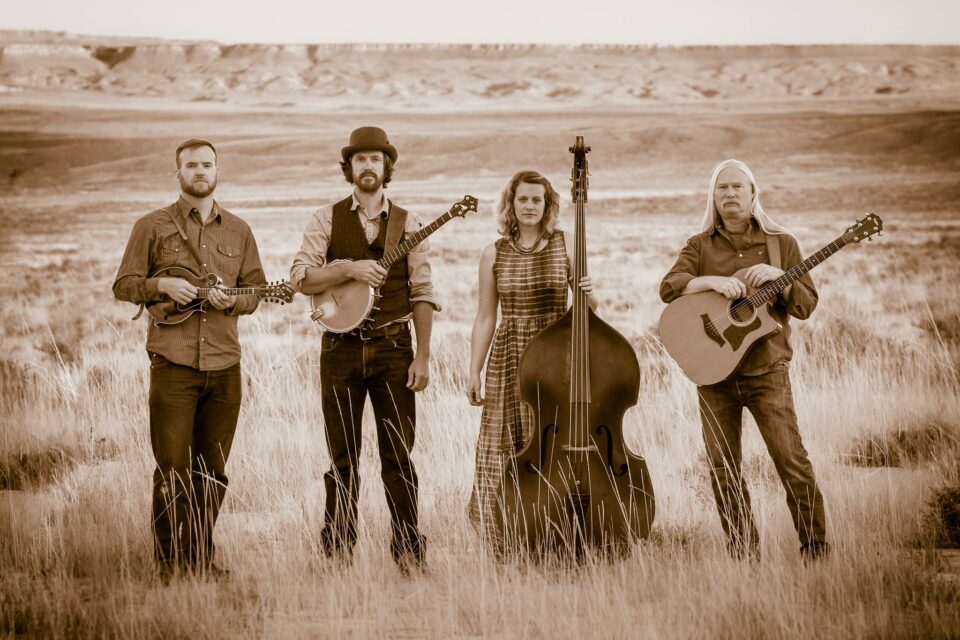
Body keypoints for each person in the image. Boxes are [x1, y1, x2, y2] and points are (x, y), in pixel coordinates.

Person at [659, 159, 828, 561]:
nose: (730, 194)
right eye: (723, 188)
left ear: (753, 193)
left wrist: (779, 282)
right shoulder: (699, 246)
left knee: (792, 463)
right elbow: (669, 287)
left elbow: (806, 306)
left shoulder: (781, 244)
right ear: (713, 197)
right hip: (713, 377)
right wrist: (710, 282)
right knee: (723, 470)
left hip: (768, 372)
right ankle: (743, 557)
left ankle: (816, 551)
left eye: (738, 186)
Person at [113, 139, 266, 579]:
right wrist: (161, 286)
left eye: (207, 164)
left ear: (218, 170)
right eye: (192, 165)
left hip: (225, 367)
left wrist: (232, 300)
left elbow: (255, 290)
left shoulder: (238, 230)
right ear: (177, 172)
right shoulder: (151, 226)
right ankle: (168, 565)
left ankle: (200, 559)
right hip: (172, 366)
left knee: (213, 471)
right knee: (171, 471)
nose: (200, 171)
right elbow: (124, 285)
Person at [290, 126, 439, 574]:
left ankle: (409, 554)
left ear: (386, 167)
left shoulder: (409, 222)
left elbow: (423, 292)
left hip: (395, 349)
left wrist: (423, 355)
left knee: (398, 457)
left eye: (376, 159)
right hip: (339, 351)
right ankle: (337, 553)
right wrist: (348, 269)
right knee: (342, 458)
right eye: (360, 159)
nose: (368, 166)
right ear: (349, 168)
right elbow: (300, 278)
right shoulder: (326, 218)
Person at [466, 169, 596, 550]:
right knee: (505, 443)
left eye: (537, 199)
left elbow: (589, 310)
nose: (529, 206)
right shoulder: (493, 252)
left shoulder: (566, 244)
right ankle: (507, 535)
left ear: (547, 204)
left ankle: (560, 532)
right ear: (511, 203)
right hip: (509, 357)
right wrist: (474, 370)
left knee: (554, 442)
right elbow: (486, 317)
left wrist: (589, 292)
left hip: (556, 354)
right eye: (522, 199)